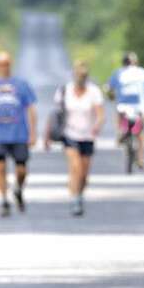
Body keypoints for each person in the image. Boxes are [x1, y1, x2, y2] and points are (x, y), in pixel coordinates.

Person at [0, 50, 39, 217]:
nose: (3, 67)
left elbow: (31, 109)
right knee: (0, 167)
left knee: (21, 170)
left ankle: (18, 189)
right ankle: (4, 200)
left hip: (19, 134)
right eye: (0, 64)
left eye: (6, 64)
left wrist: (33, 133)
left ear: (11, 65)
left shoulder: (21, 84)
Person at [44, 58, 105, 216]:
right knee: (75, 167)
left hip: (88, 136)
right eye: (79, 75)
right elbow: (55, 114)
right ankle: (75, 200)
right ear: (74, 75)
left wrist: (98, 124)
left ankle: (78, 191)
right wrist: (47, 136)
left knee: (84, 174)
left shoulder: (94, 91)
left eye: (84, 75)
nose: (81, 78)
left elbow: (100, 113)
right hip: (69, 134)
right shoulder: (64, 91)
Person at [106, 52, 144, 170]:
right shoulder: (142, 72)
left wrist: (111, 97)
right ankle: (141, 158)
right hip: (140, 106)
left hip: (123, 106)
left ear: (123, 62)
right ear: (136, 62)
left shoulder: (118, 73)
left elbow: (109, 88)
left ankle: (120, 133)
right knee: (141, 132)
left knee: (119, 115)